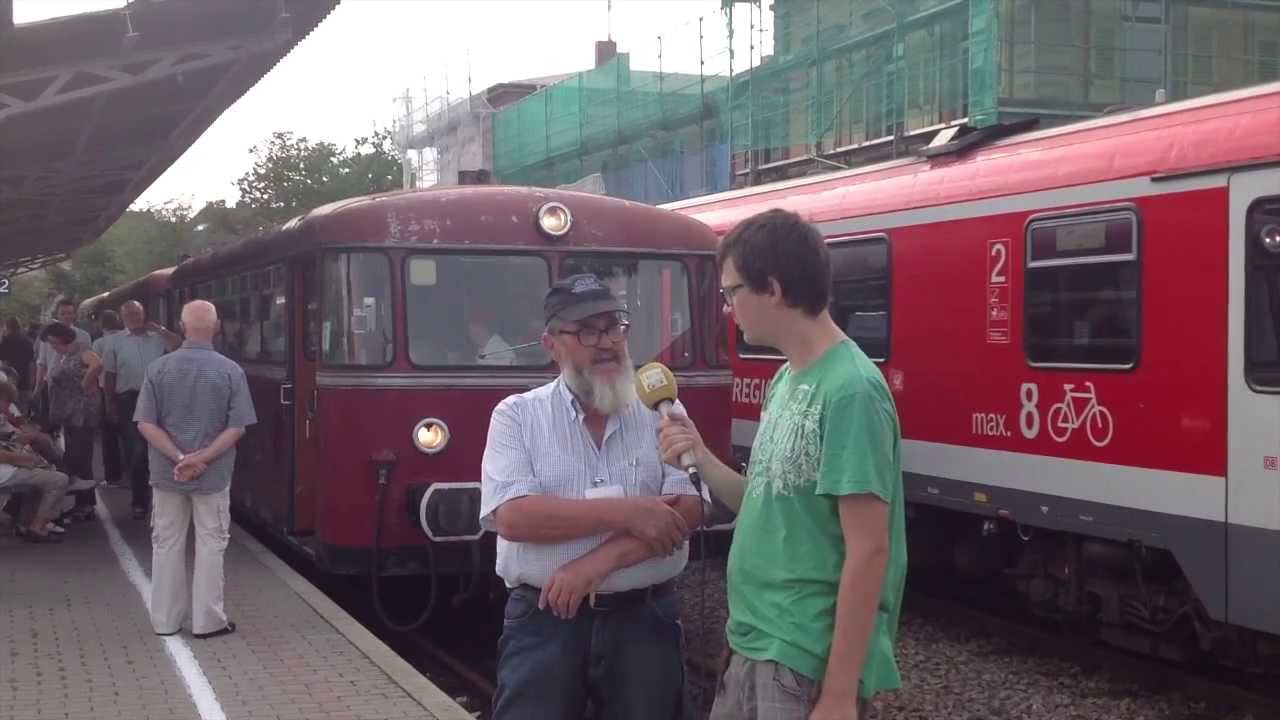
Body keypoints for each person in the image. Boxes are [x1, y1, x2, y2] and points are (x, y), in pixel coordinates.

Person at [657, 209, 907, 720]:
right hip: (754, 639)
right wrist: (699, 454)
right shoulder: (787, 381)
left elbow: (870, 548)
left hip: (803, 653)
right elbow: (763, 503)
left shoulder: (852, 391)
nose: (728, 310)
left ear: (771, 288)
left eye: (731, 293)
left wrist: (838, 693)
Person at [479, 273, 707, 720]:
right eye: (586, 330)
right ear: (552, 345)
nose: (605, 342)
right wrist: (631, 512)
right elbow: (515, 516)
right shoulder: (516, 416)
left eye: (613, 327)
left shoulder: (664, 409)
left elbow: (690, 508)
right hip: (546, 622)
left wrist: (594, 565)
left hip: (644, 622)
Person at [134, 300, 256, 639]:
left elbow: (145, 423)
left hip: (166, 473)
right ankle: (208, 621)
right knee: (211, 544)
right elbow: (237, 427)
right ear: (216, 328)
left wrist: (178, 457)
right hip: (213, 476)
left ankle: (165, 621)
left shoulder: (158, 369)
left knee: (167, 544)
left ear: (182, 326)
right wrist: (202, 458)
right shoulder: (231, 371)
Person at [104, 300, 179, 519]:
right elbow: (110, 374)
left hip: (158, 398)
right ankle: (140, 501)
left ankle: (165, 501)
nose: (134, 319)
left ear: (144, 314)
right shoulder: (114, 342)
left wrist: (161, 329)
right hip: (128, 400)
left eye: (137, 314)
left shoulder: (157, 338)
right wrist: (109, 403)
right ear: (122, 318)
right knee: (135, 452)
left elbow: (178, 345)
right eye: (129, 315)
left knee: (162, 449)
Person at [40, 322, 103, 521]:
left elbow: (97, 364)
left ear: (61, 337)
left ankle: (86, 505)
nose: (51, 345)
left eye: (52, 340)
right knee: (76, 457)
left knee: (79, 457)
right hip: (68, 414)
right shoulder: (64, 354)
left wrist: (85, 384)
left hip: (80, 414)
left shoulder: (80, 349)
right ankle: (83, 503)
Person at [92, 310, 125, 488]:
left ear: (100, 324)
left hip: (106, 391)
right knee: (129, 435)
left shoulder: (98, 344)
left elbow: (96, 370)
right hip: (127, 392)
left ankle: (113, 477)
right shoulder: (126, 339)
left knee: (109, 437)